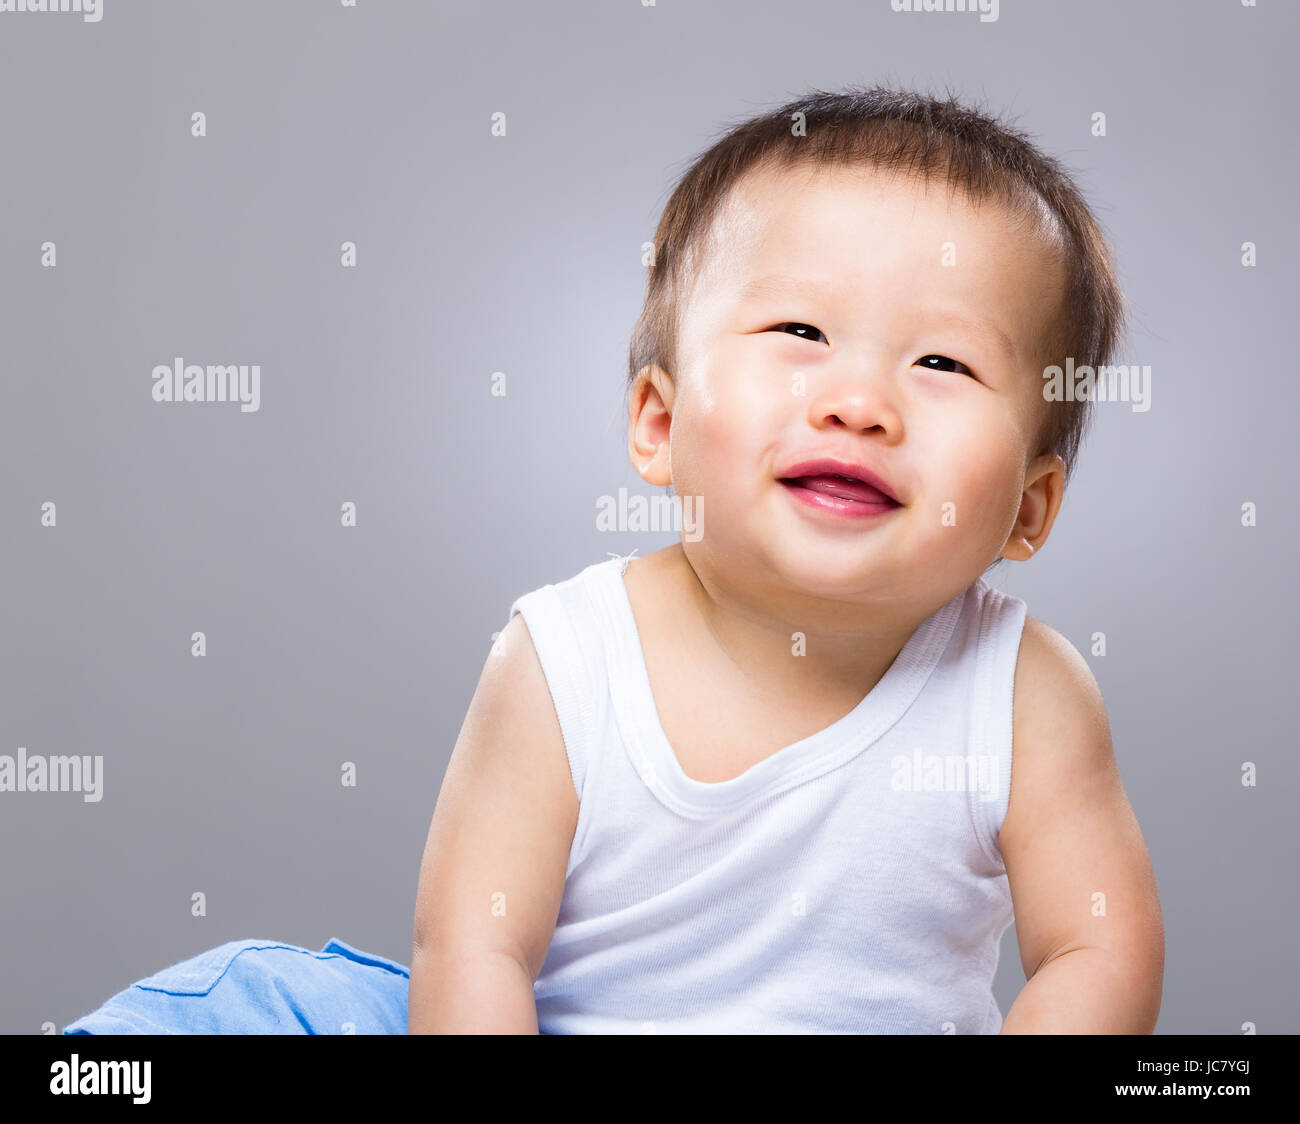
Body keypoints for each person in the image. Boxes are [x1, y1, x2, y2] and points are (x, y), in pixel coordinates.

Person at [66, 84, 1163, 1035]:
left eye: (941, 360)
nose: (858, 402)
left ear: (1029, 505)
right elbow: (475, 948)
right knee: (261, 1002)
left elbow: (1093, 949)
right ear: (655, 422)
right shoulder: (565, 655)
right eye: (799, 333)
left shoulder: (1023, 691)